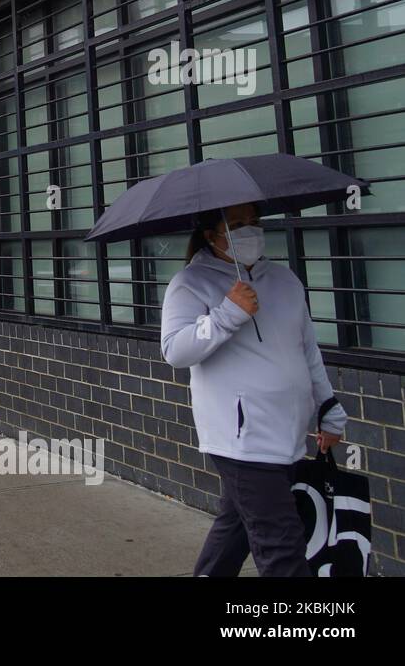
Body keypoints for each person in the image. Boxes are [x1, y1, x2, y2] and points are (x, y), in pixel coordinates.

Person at [160, 202, 348, 577]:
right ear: (211, 234)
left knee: (235, 531)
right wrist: (228, 312)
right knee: (282, 546)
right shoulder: (191, 283)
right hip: (241, 439)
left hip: (288, 433)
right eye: (238, 224)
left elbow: (307, 349)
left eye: (255, 222)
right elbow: (175, 351)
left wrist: (328, 407)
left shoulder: (285, 280)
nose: (250, 231)